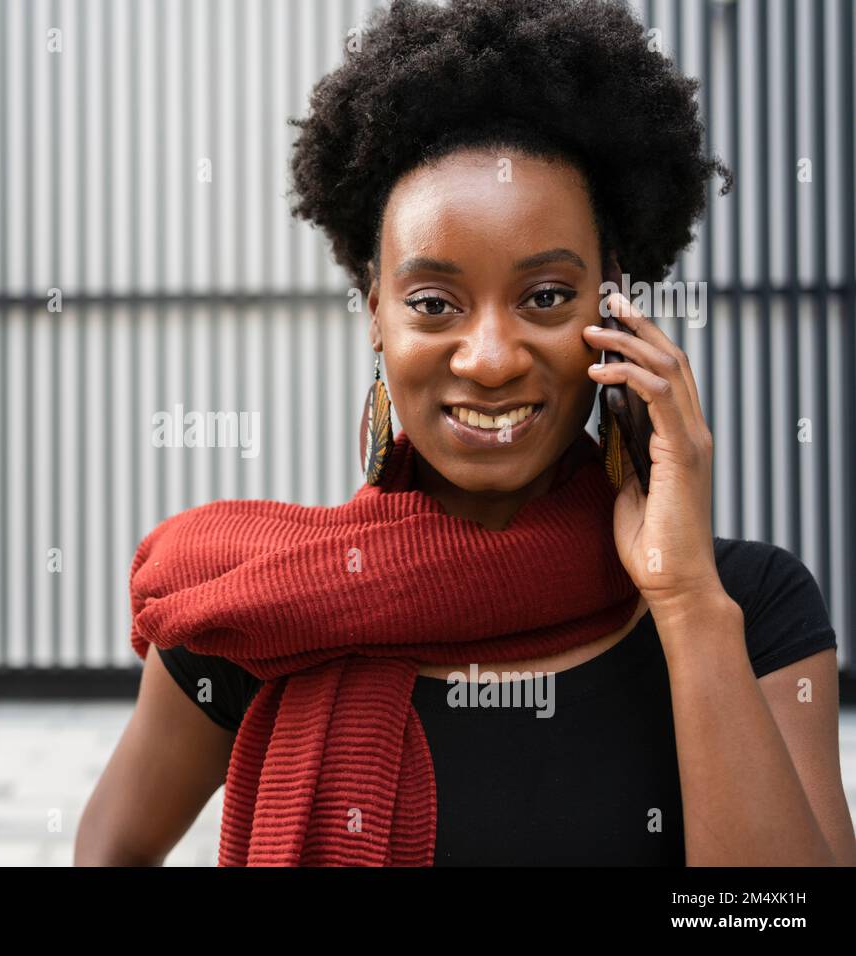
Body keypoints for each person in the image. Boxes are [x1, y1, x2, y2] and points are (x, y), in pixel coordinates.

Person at [75, 0, 855, 866]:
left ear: (615, 304)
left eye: (548, 296)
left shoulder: (753, 607)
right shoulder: (258, 608)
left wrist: (685, 603)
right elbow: (109, 851)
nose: (488, 359)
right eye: (435, 303)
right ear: (376, 314)